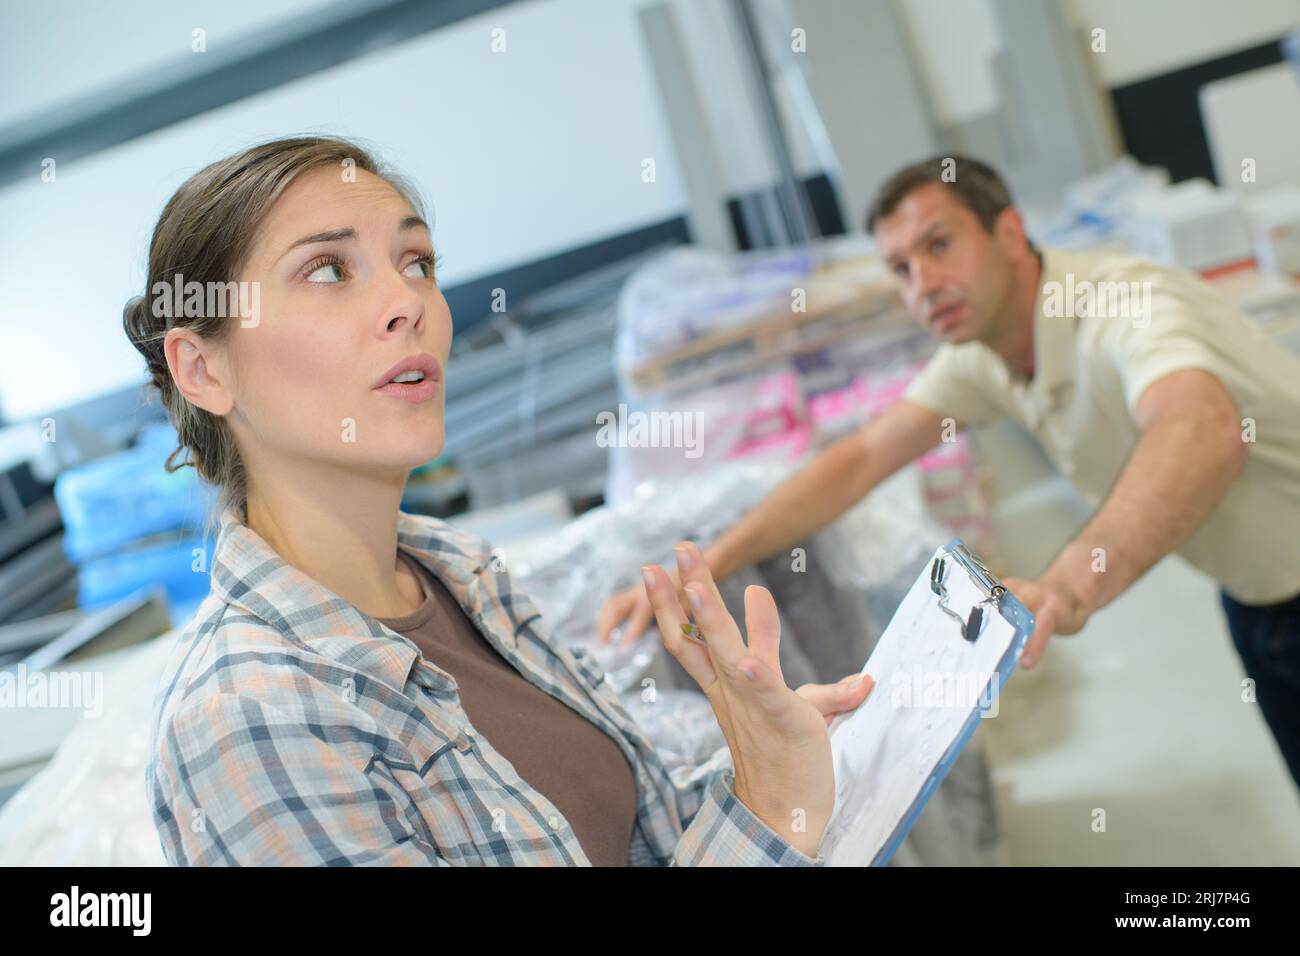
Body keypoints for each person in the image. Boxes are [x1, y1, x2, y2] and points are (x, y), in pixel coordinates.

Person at [129, 136, 872, 866]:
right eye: (328, 270)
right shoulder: (247, 719)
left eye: (416, 263)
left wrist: (764, 771)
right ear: (202, 368)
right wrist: (768, 820)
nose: (405, 302)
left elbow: (637, 843)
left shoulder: (467, 580)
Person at [599, 155, 1300, 790]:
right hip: (1258, 593)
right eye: (901, 269)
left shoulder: (1122, 305)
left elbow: (1202, 430)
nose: (924, 283)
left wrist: (1064, 586)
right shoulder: (985, 352)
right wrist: (709, 567)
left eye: (940, 246)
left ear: (1011, 234)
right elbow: (862, 459)